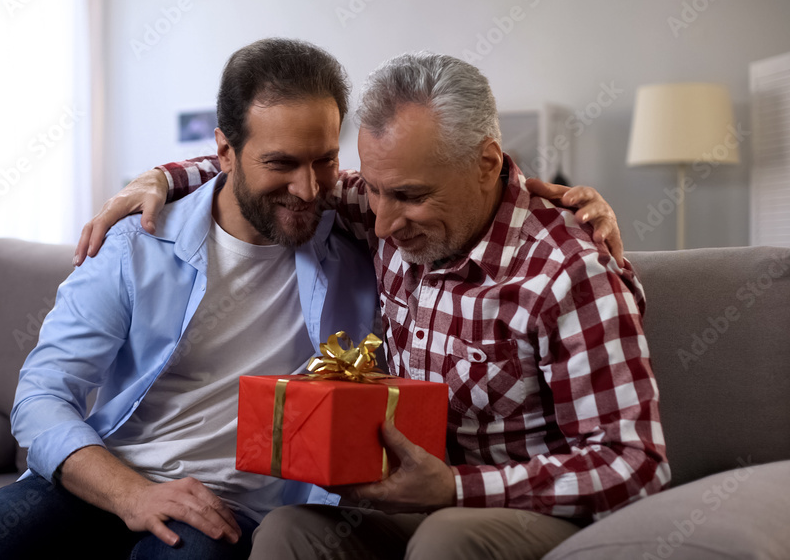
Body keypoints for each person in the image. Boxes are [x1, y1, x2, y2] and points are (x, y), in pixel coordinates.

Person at [81, 52, 668, 559]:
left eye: (409, 196)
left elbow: (636, 464)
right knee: (289, 532)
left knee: (448, 542)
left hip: (524, 509)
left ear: (488, 162)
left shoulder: (569, 272)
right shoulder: (389, 208)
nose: (382, 222)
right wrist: (161, 177)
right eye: (377, 191)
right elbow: (267, 171)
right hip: (412, 499)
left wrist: (456, 489)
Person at [0, 38, 381, 559]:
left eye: (324, 160)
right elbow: (41, 397)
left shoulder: (363, 246)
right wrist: (133, 494)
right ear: (225, 152)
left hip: (233, 507)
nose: (308, 189)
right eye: (280, 163)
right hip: (113, 478)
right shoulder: (134, 246)